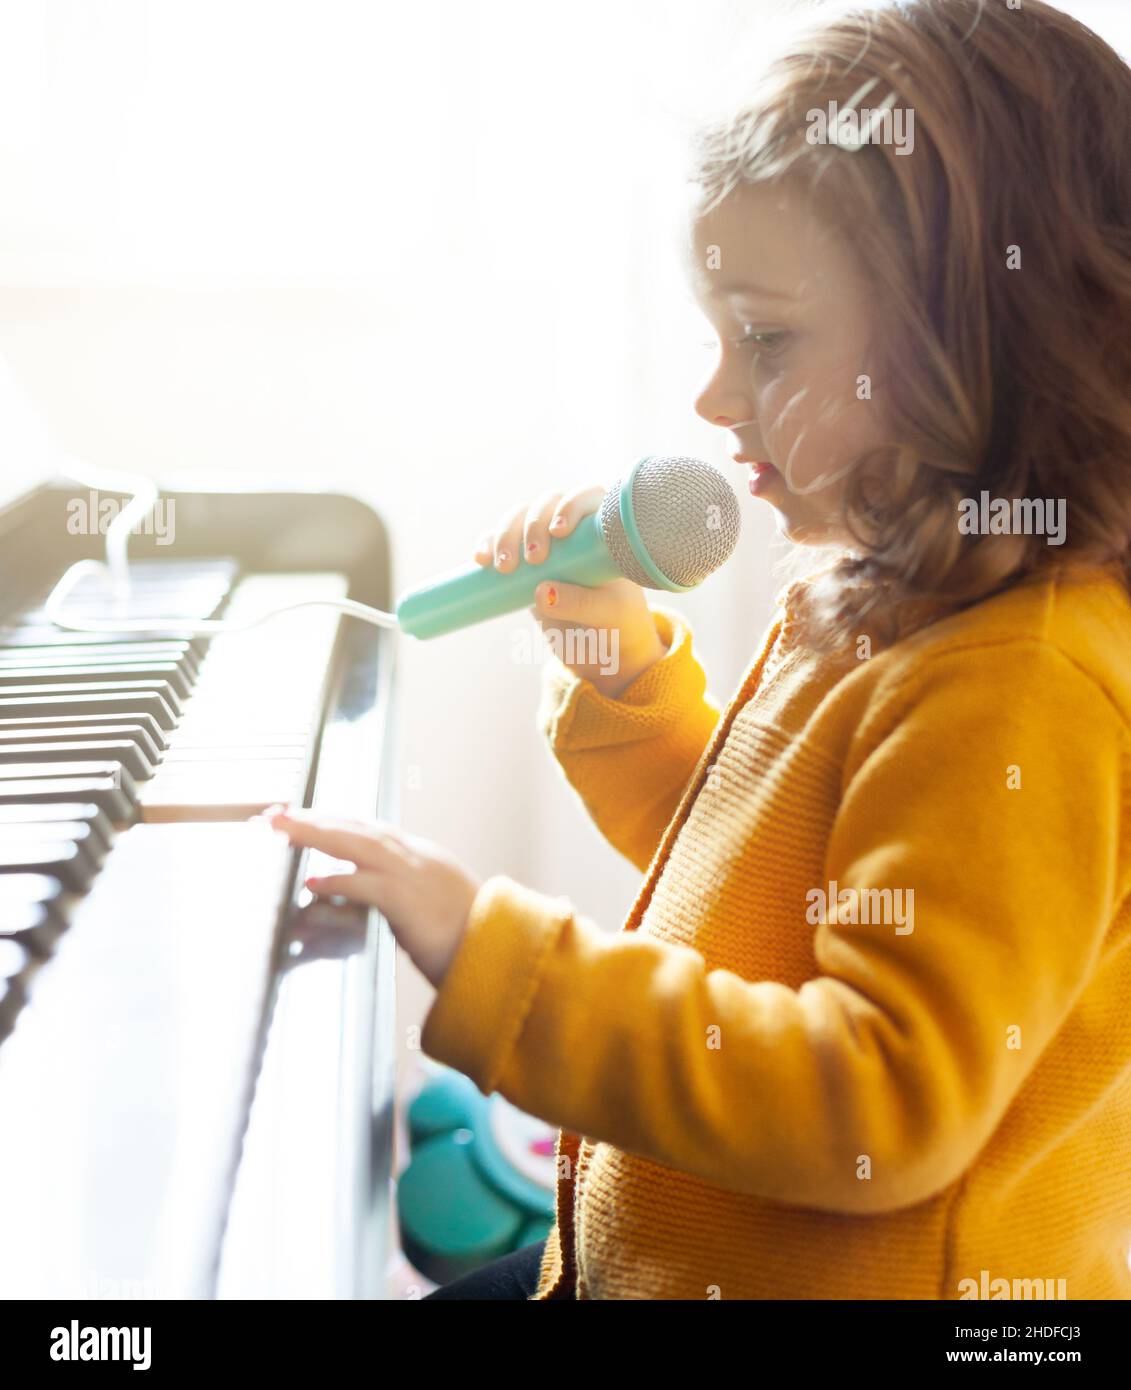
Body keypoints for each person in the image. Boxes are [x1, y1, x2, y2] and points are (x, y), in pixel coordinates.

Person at [269, 0, 1131, 1299]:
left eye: (767, 340)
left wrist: (496, 954)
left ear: (981, 340)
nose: (714, 396)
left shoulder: (1023, 684)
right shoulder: (889, 594)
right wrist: (627, 679)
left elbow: (878, 1102)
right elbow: (761, 891)